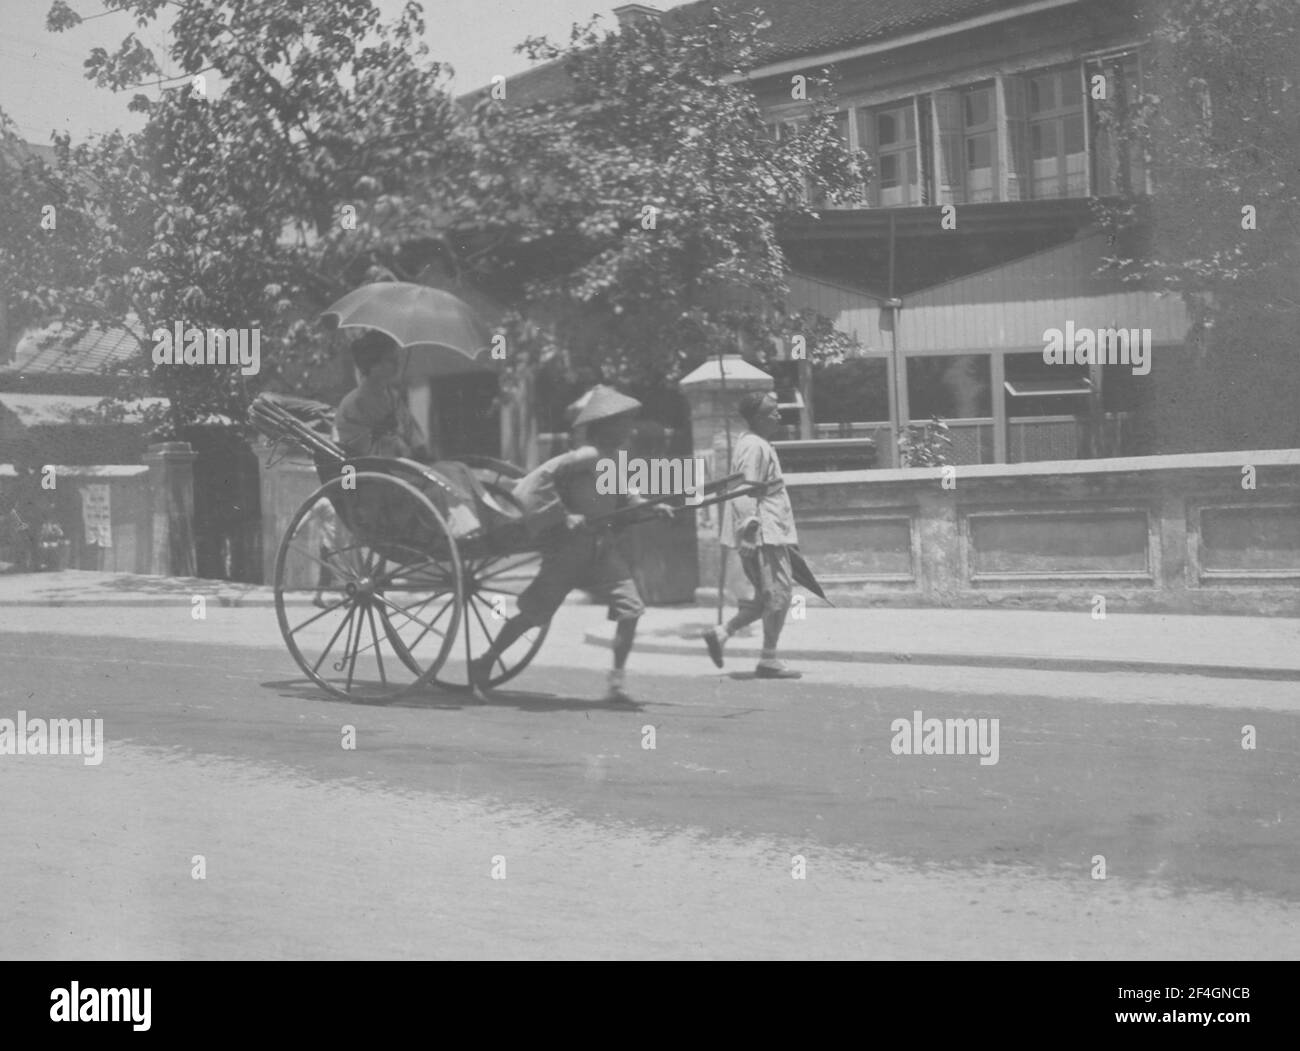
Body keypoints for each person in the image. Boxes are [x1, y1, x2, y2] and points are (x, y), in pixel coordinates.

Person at [468, 385, 672, 705]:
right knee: (534, 614)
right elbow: (537, 483)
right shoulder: (586, 455)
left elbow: (625, 496)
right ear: (604, 426)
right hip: (568, 550)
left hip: (600, 550)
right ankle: (485, 661)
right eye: (622, 423)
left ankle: (616, 683)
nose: (628, 429)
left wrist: (653, 506)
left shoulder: (611, 460)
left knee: (631, 609)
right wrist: (563, 515)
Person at [702, 390, 803, 679]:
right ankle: (768, 659)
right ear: (759, 418)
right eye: (773, 411)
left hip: (768, 531)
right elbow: (745, 489)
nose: (779, 415)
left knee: (765, 598)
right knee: (780, 595)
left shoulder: (756, 443)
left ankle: (722, 633)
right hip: (764, 533)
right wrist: (749, 531)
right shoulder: (755, 446)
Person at [333, 330, 431, 461]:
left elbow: (412, 432)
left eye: (396, 359)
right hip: (378, 469)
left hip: (406, 463)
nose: (397, 364)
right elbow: (354, 449)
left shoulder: (393, 397)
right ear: (371, 364)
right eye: (390, 360)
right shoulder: (353, 403)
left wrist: (418, 448)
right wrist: (383, 433)